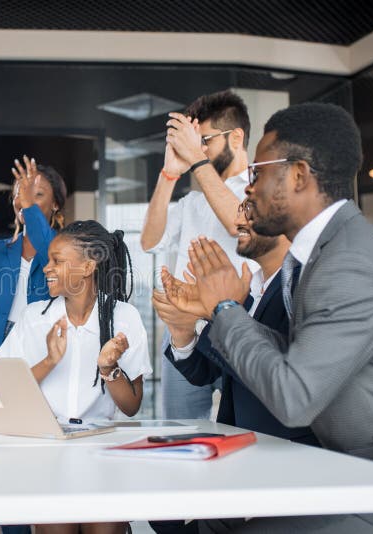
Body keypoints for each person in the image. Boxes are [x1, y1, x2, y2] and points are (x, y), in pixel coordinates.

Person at [164, 103, 373, 533]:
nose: (247, 190)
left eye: (255, 173)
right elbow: (296, 360)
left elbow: (294, 398)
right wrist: (218, 311)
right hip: (345, 470)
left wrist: (227, 309)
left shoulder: (350, 262)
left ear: (299, 175)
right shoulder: (326, 254)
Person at [0, 220, 151, 534]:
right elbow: (5, 391)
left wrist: (109, 368)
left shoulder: (124, 317)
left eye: (57, 261)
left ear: (88, 266)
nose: (46, 268)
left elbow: (131, 405)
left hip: (105, 452)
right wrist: (50, 361)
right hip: (47, 452)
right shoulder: (35, 316)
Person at [156, 199, 318, 445]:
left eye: (250, 212)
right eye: (240, 211)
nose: (238, 222)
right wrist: (183, 330)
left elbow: (278, 374)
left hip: (290, 449)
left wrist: (218, 312)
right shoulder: (246, 290)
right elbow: (206, 373)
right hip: (245, 444)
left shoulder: (305, 285)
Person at [140, 90, 255, 421]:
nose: (197, 150)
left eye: (204, 140)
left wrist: (197, 160)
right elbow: (150, 241)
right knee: (182, 433)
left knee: (245, 431)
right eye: (195, 142)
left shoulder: (258, 187)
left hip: (240, 329)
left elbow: (240, 223)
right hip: (185, 332)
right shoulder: (193, 200)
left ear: (236, 137)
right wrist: (169, 174)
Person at [0, 155, 67, 356]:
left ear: (55, 204)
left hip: (42, 341)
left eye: (37, 194)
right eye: (19, 193)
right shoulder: (0, 248)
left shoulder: (64, 246)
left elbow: (47, 249)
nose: (23, 200)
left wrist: (28, 205)